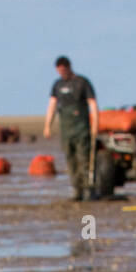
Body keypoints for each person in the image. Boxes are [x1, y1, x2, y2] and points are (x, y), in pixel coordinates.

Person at [43, 56, 98, 201]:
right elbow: (52, 106)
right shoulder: (57, 85)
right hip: (66, 129)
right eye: (59, 70)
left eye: (63, 69)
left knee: (85, 159)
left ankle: (89, 189)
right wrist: (47, 125)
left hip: (82, 128)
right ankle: (77, 190)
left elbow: (92, 104)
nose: (61, 73)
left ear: (68, 67)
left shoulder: (82, 82)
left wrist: (95, 125)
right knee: (70, 160)